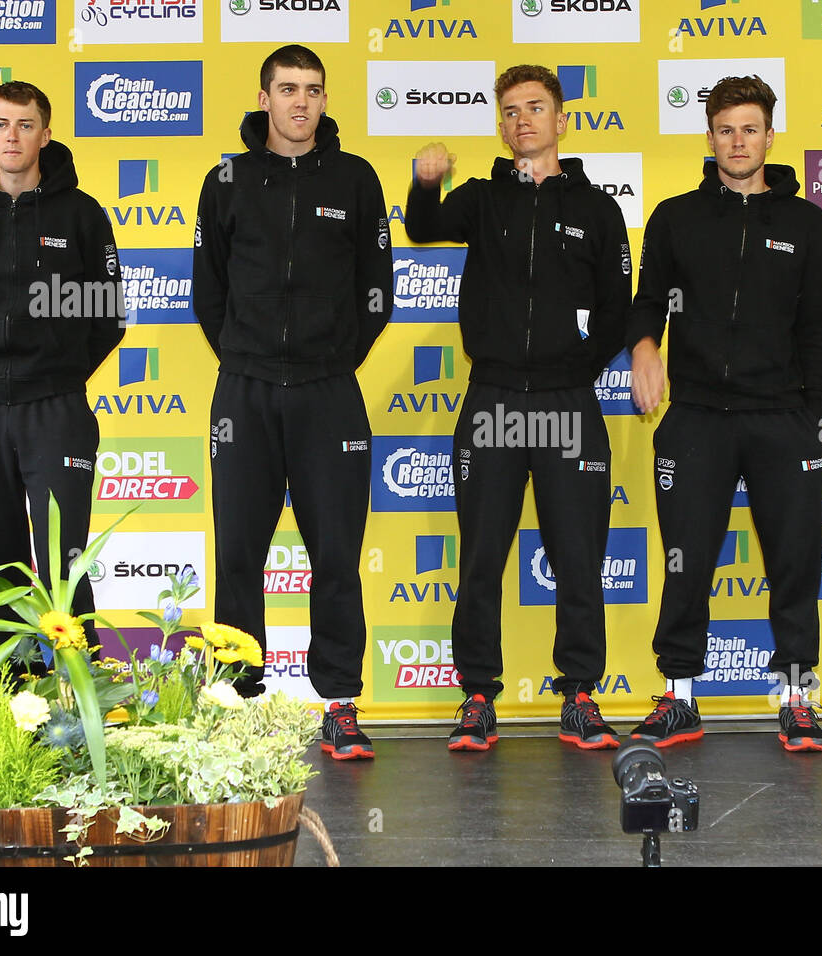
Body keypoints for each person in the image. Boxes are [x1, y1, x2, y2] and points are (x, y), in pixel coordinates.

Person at [405, 65, 632, 752]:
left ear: (561, 120)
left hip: (568, 403)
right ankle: (477, 696)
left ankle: (581, 695)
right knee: (480, 557)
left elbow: (618, 314)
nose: (522, 120)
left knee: (577, 554)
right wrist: (424, 180)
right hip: (493, 400)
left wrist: (571, 372)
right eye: (509, 111)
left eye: (536, 108)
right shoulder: (479, 199)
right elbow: (421, 228)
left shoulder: (598, 209)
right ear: (499, 125)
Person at [626, 75, 822, 752]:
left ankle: (796, 695)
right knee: (686, 561)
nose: (738, 140)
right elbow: (645, 302)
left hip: (783, 418)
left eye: (750, 128)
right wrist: (642, 347)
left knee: (794, 562)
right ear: (710, 136)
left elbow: (820, 325)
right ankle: (680, 696)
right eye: (726, 129)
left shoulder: (805, 222)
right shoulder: (674, 217)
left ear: (770, 135)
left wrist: (815, 409)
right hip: (696, 416)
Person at [191, 45, 392, 760]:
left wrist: (329, 360)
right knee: (240, 554)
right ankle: (236, 707)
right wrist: (249, 357)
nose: (300, 102)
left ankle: (339, 704)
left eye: (312, 90)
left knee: (336, 554)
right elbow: (207, 292)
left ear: (324, 100)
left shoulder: (357, 179)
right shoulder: (227, 179)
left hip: (328, 395)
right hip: (243, 392)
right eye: (287, 89)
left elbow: (377, 292)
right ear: (264, 98)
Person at [0, 81, 124, 666]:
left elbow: (108, 315)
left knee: (65, 559)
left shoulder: (83, 214)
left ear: (45, 134)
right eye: (0, 124)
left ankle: (85, 694)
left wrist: (57, 372)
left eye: (24, 125)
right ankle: (16, 703)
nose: (11, 136)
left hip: (57, 408)